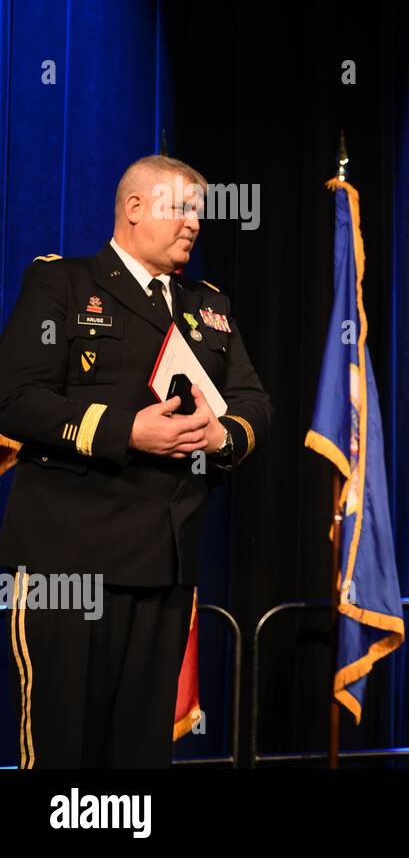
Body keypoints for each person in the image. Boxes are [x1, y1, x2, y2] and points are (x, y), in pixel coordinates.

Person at [0, 155, 272, 768]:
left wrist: (216, 437)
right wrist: (128, 432)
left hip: (164, 569)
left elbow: (255, 402)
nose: (194, 224)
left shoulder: (209, 306)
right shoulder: (63, 284)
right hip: (68, 567)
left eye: (199, 213)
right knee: (63, 751)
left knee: (140, 759)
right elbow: (13, 400)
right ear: (133, 209)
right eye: (181, 208)